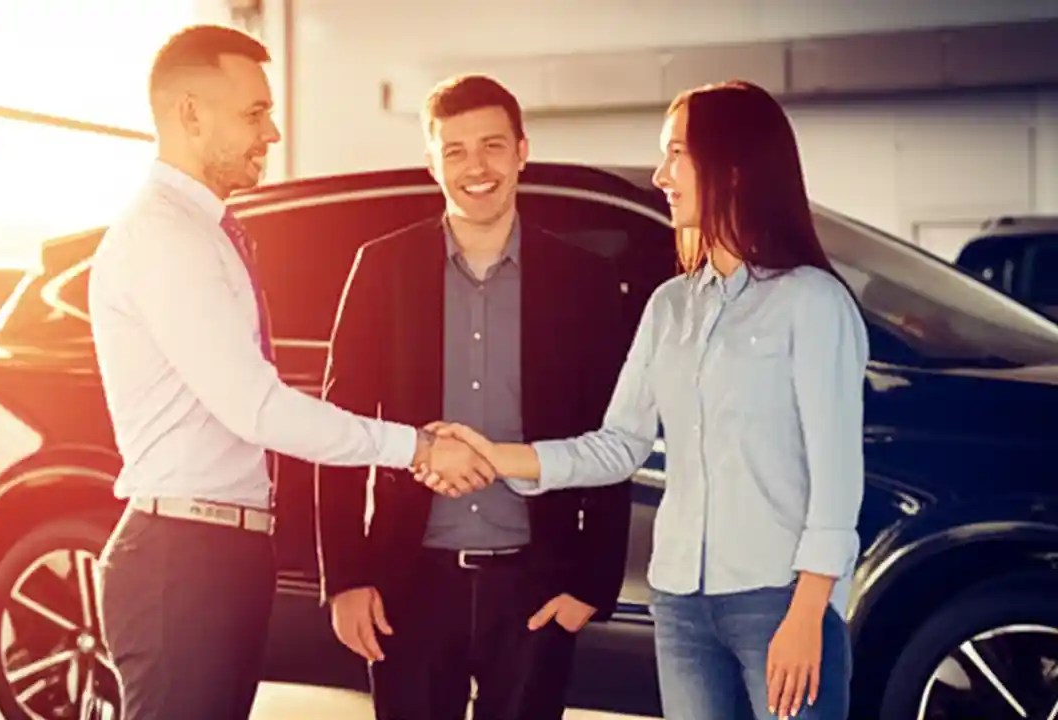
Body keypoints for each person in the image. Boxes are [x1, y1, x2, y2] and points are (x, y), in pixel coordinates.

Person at [423, 80, 868, 720]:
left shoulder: (813, 304)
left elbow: (836, 479)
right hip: (681, 606)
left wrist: (810, 612)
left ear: (735, 168)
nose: (661, 175)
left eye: (676, 154)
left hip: (779, 600)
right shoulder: (670, 307)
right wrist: (497, 458)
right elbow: (619, 446)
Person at [88, 25, 493, 720]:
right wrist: (417, 447)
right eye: (254, 113)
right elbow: (258, 409)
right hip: (183, 560)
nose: (271, 133)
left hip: (216, 552)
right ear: (189, 113)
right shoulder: (166, 237)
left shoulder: (202, 231)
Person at [316, 74, 634, 720]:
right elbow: (339, 428)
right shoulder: (382, 268)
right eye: (454, 150)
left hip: (536, 586)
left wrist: (589, 585)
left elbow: (610, 437)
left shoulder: (586, 280)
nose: (476, 167)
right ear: (432, 163)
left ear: (522, 150)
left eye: (491, 145)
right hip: (409, 583)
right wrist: (345, 579)